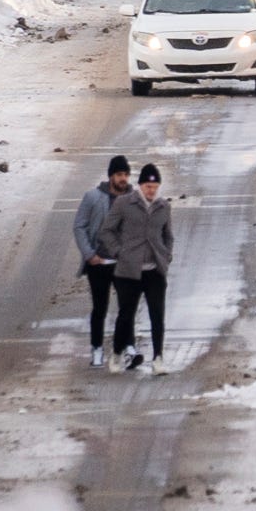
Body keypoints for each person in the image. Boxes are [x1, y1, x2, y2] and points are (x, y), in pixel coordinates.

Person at [95, 160, 176, 372]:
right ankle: (116, 353)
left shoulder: (163, 206)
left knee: (157, 314)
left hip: (154, 271)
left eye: (155, 187)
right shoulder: (124, 203)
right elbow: (106, 230)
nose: (151, 191)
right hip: (129, 271)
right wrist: (118, 252)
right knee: (126, 315)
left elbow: (168, 236)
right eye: (148, 187)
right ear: (140, 185)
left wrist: (166, 255)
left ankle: (158, 358)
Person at [74, 156, 132, 367]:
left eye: (125, 174)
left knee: (128, 306)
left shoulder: (134, 198)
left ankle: (128, 347)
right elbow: (79, 226)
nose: (123, 179)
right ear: (111, 176)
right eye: (119, 175)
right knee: (100, 308)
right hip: (98, 262)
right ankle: (96, 349)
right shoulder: (93, 197)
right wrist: (89, 254)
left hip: (123, 263)